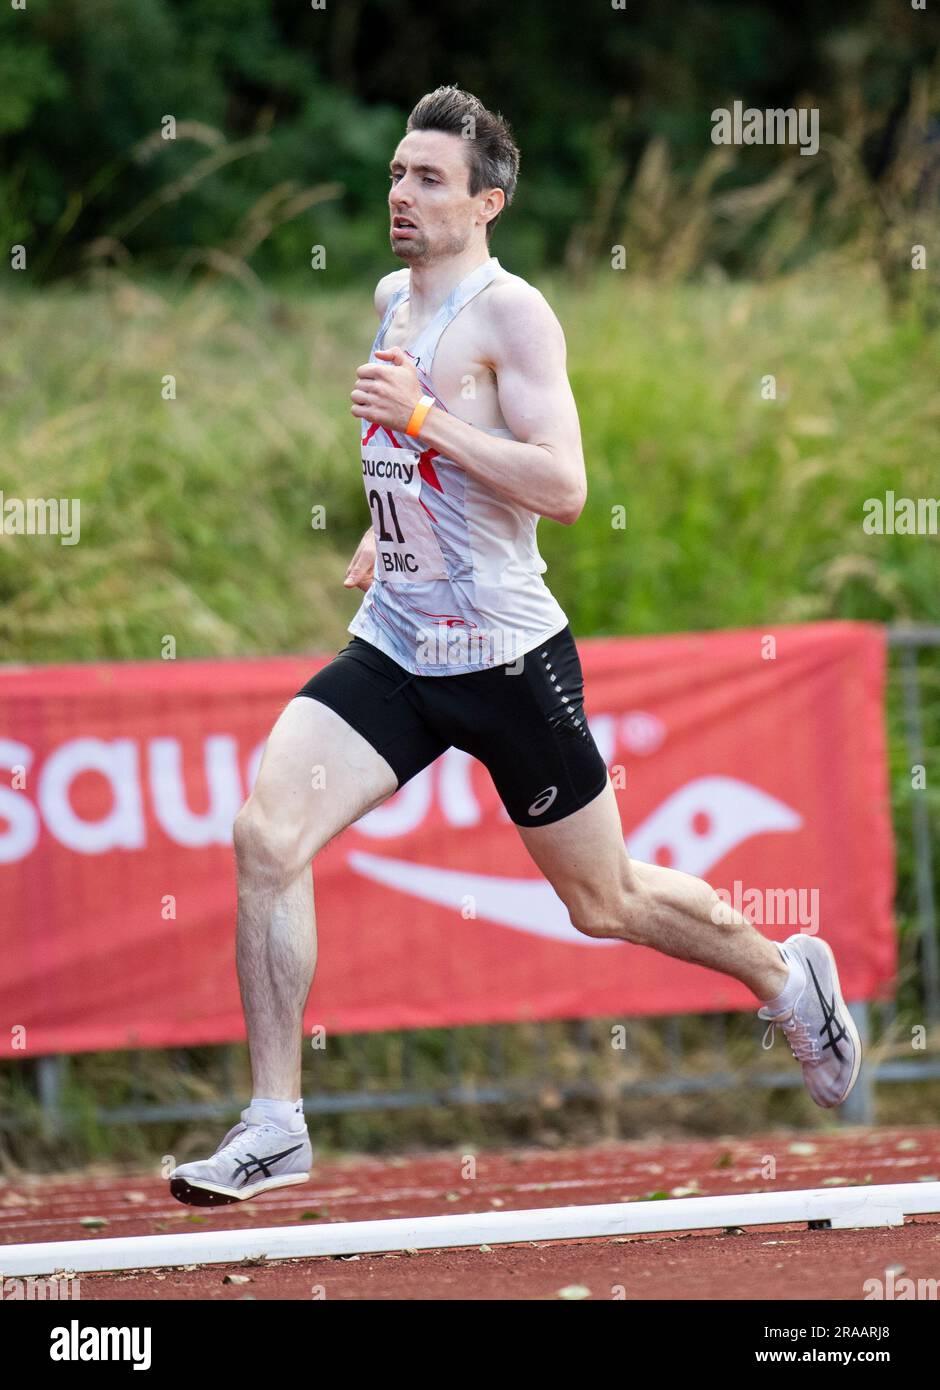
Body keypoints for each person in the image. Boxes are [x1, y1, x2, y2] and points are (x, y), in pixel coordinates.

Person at [169, 87, 861, 1207]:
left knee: (605, 901)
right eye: (396, 172)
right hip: (395, 644)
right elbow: (420, 453)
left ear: (486, 201)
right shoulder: (393, 294)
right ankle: (275, 1120)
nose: (400, 193)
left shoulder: (514, 314)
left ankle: (789, 980)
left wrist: (423, 426)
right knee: (265, 832)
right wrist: (382, 512)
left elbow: (564, 487)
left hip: (503, 659)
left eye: (428, 179)